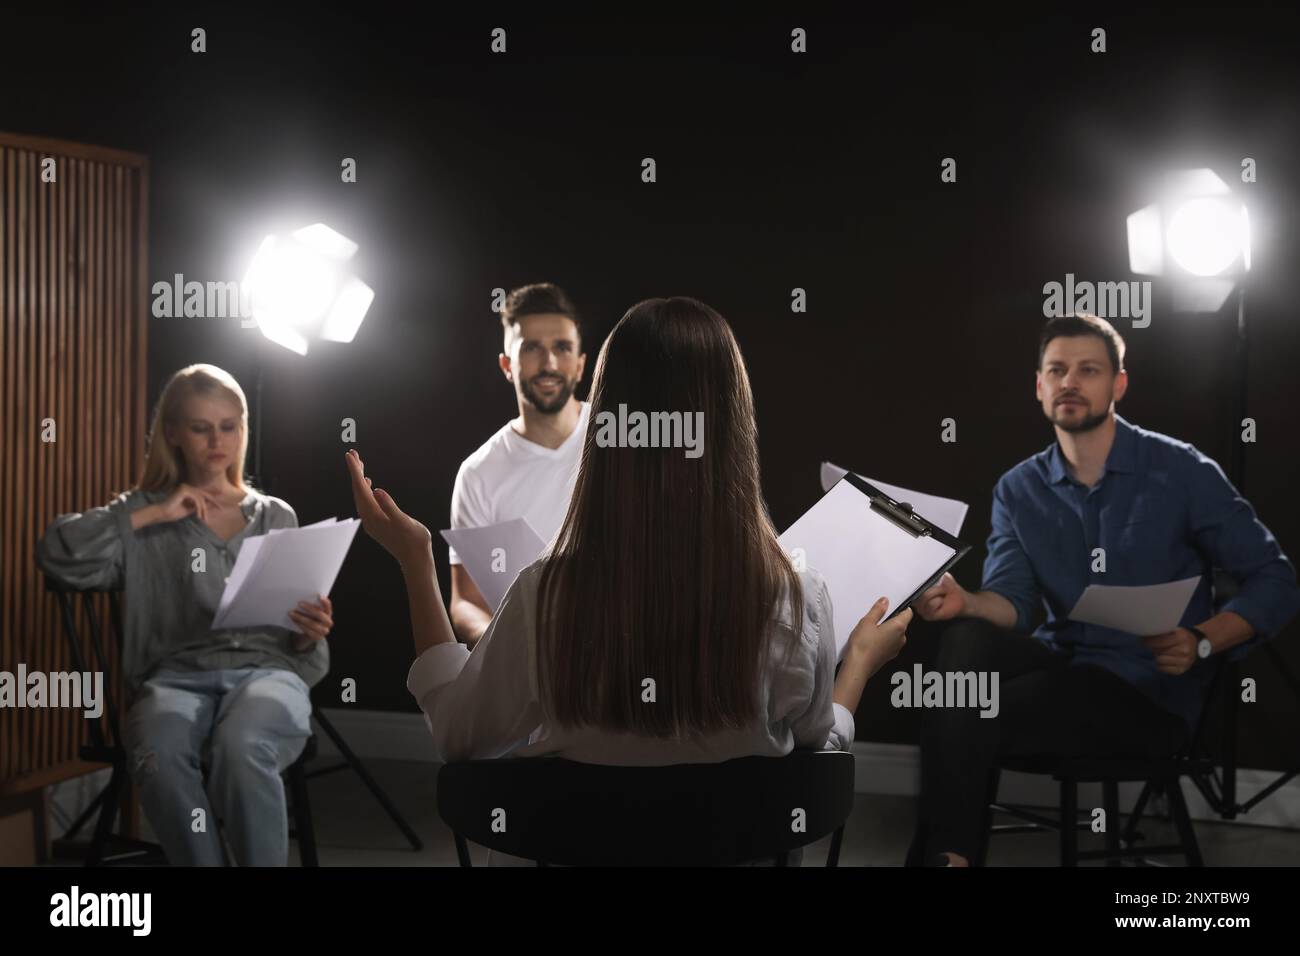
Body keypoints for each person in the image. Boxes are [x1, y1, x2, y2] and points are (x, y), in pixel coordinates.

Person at [345, 297, 910, 863]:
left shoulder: (544, 597)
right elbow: (816, 753)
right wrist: (857, 662)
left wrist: (415, 560)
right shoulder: (795, 597)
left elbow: (457, 736)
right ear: (734, 421)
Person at [908, 313, 1300, 867]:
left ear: (1118, 383)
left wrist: (1204, 639)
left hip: (1149, 695)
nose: (1070, 381)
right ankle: (952, 859)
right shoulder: (1019, 488)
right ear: (1040, 387)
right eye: (1057, 370)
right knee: (964, 643)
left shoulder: (1181, 471)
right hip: (1061, 669)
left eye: (1088, 370)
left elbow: (1276, 580)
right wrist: (966, 601)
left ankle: (944, 859)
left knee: (963, 705)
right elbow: (1015, 603)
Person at [37, 364, 335, 866]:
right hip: (172, 678)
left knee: (241, 748)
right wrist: (151, 513)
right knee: (157, 753)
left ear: (243, 430)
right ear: (172, 433)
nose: (217, 440)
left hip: (266, 674)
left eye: (228, 426)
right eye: (200, 427)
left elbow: (297, 645)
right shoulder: (148, 515)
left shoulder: (274, 515)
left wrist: (309, 633)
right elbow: (56, 551)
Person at [448, 283, 590, 646]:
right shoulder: (478, 473)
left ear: (580, 363)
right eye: (531, 348)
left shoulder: (619, 441)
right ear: (507, 365)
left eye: (562, 347)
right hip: (525, 673)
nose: (549, 364)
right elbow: (465, 602)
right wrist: (508, 649)